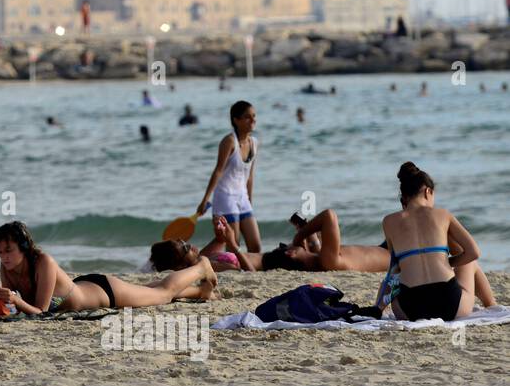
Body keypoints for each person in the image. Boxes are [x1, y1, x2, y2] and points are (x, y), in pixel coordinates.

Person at [0, 221, 217, 315]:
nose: (4, 256)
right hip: (84, 288)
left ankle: (202, 267)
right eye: (0, 251)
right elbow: (13, 308)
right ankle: (201, 292)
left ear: (24, 246)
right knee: (149, 289)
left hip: (106, 292)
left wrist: (16, 301)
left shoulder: (42, 262)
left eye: (9, 250)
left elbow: (41, 312)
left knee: (162, 294)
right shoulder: (7, 268)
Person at [380, 162, 496, 321]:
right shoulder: (442, 214)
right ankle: (491, 304)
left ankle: (491, 304)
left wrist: (377, 307)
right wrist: (448, 262)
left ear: (404, 196)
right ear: (428, 192)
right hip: (450, 304)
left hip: (410, 310)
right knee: (469, 262)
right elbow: (473, 252)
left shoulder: (389, 221)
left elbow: (395, 268)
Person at [195, 100, 261, 253]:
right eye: (247, 117)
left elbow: (249, 176)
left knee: (256, 246)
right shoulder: (229, 141)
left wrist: (250, 199)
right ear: (236, 120)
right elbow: (218, 171)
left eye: (254, 116)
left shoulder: (254, 143)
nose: (253, 120)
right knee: (234, 245)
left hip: (242, 197)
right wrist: (205, 199)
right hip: (225, 198)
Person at [262, 208, 391, 272]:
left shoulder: (321, 260)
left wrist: (307, 235)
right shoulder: (329, 260)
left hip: (387, 248)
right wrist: (299, 236)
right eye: (286, 246)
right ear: (290, 253)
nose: (290, 244)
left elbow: (316, 248)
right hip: (394, 253)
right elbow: (329, 215)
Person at [150, 216, 253, 273]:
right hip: (265, 262)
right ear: (180, 266)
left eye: (182, 241)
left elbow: (220, 240)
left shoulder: (200, 256)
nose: (189, 245)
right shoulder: (212, 268)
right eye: (186, 248)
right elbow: (250, 273)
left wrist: (220, 229)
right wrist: (234, 245)